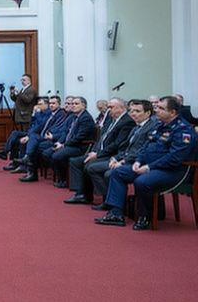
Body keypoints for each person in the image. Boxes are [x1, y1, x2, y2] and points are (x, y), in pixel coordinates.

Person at [95, 96, 196, 230]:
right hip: (148, 166)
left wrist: (149, 167)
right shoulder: (159, 126)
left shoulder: (183, 130)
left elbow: (174, 158)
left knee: (142, 181)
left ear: (172, 112)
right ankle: (116, 214)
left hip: (173, 171)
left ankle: (144, 216)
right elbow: (145, 147)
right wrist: (138, 161)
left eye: (161, 108)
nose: (156, 110)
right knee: (117, 172)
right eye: (157, 107)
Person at [87, 99, 158, 211]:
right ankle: (110, 201)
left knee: (109, 173)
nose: (133, 114)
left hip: (138, 163)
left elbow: (142, 150)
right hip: (126, 158)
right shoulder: (136, 127)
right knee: (93, 168)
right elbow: (125, 147)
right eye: (132, 111)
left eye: (137, 111)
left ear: (148, 113)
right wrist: (116, 158)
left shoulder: (151, 127)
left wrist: (123, 161)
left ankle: (113, 205)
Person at [63, 97, 134, 205]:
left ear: (122, 108)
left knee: (88, 165)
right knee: (76, 162)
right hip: (100, 151)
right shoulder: (111, 119)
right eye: (108, 107)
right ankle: (81, 194)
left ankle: (107, 198)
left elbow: (117, 144)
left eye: (111, 107)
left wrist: (98, 154)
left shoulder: (127, 122)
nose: (109, 110)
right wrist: (94, 151)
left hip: (111, 154)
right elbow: (100, 138)